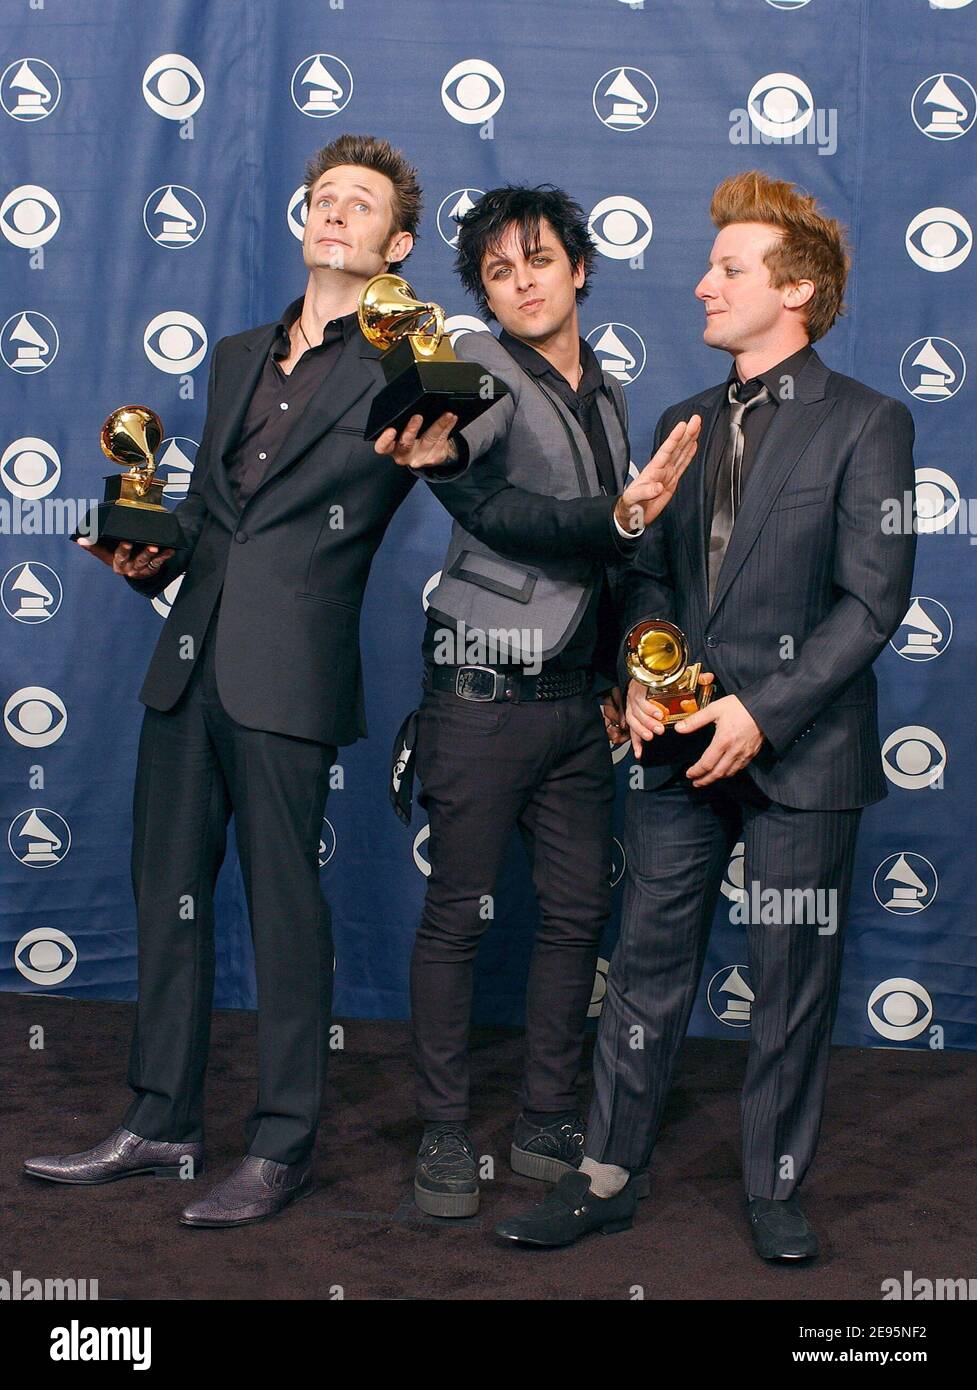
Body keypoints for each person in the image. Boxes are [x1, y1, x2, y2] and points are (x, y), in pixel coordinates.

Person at [22, 134, 475, 1228]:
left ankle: (282, 1142)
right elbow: (211, 522)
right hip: (188, 664)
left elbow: (456, 449)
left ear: (395, 243)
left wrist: (447, 443)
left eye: (360, 206)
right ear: (302, 218)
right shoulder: (232, 355)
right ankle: (161, 1117)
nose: (335, 215)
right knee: (165, 900)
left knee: (284, 909)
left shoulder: (407, 365)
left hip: (291, 673)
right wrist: (150, 552)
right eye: (324, 199)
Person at [495, 170, 917, 1260]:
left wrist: (762, 712)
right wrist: (639, 674)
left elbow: (873, 598)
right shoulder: (680, 421)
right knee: (641, 964)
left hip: (802, 751)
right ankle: (604, 1172)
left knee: (788, 976)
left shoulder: (869, 422)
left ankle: (773, 1187)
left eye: (727, 269)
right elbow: (648, 580)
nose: (699, 285)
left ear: (798, 290)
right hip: (677, 744)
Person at [375, 185, 700, 1217]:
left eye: (538, 262)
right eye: (499, 271)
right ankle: (439, 1129)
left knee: (573, 918)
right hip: (476, 695)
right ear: (482, 290)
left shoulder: (606, 395)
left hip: (575, 706)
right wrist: (440, 459)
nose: (520, 283)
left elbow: (617, 559)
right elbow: (494, 494)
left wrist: (616, 676)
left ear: (578, 269)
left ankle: (548, 1114)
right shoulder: (479, 367)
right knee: (455, 920)